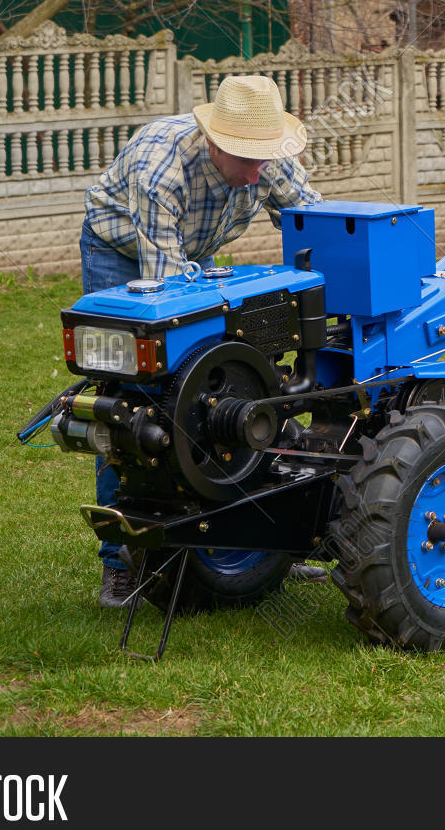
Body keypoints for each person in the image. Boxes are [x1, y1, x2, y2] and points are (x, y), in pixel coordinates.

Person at [81, 74, 325, 607]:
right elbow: (168, 290)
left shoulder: (267, 158)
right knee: (134, 404)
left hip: (192, 257)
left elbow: (316, 226)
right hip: (123, 257)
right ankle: (122, 562)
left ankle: (272, 541)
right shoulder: (160, 166)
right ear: (216, 143)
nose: (259, 172)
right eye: (248, 159)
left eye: (265, 158)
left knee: (231, 388)